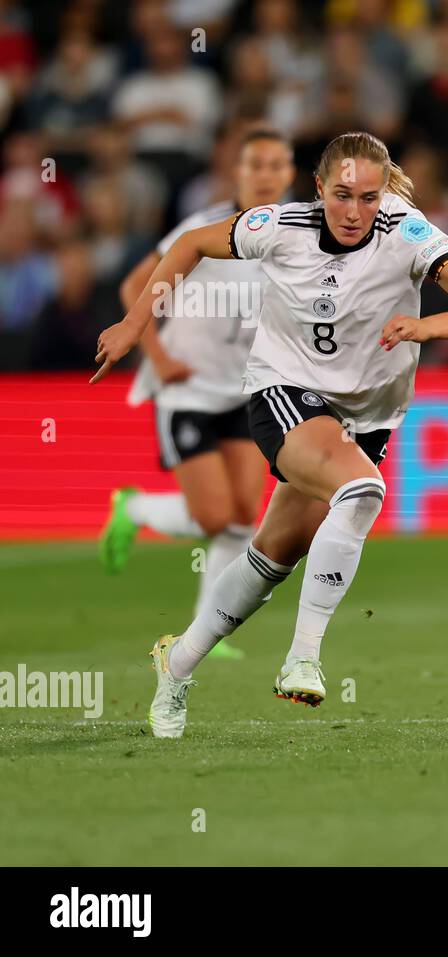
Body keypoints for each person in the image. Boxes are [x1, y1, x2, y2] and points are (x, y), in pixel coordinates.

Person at [91, 131, 448, 738]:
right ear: (319, 188)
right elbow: (189, 245)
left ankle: (175, 664)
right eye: (341, 195)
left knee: (271, 556)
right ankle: (304, 656)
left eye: (368, 197)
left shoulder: (408, 233)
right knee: (362, 493)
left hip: (367, 416)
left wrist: (428, 326)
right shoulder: (278, 226)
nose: (353, 211)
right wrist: (134, 326)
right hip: (284, 391)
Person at [98, 127, 295, 662]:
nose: (266, 174)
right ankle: (134, 507)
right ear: (239, 172)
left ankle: (208, 630)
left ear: (290, 173)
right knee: (212, 517)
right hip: (186, 389)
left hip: (243, 390)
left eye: (277, 165)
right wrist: (158, 358)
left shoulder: (295, 233)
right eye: (256, 164)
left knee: (238, 518)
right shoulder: (202, 227)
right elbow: (133, 285)